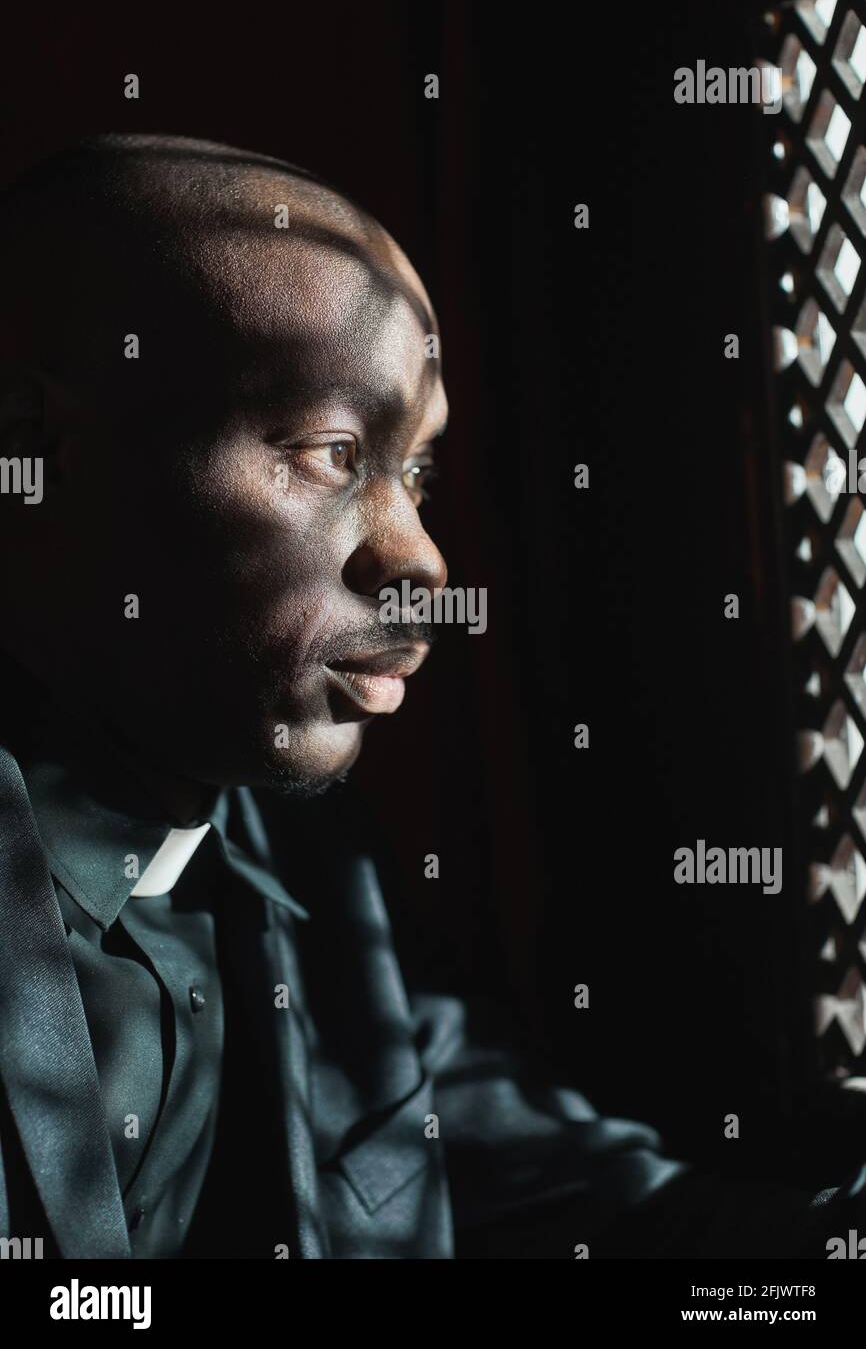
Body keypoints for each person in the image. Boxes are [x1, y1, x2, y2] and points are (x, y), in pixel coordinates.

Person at [0, 133, 862, 1259]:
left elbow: (581, 1198)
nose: (423, 562)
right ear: (29, 449)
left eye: (415, 471)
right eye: (326, 451)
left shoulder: (308, 867)